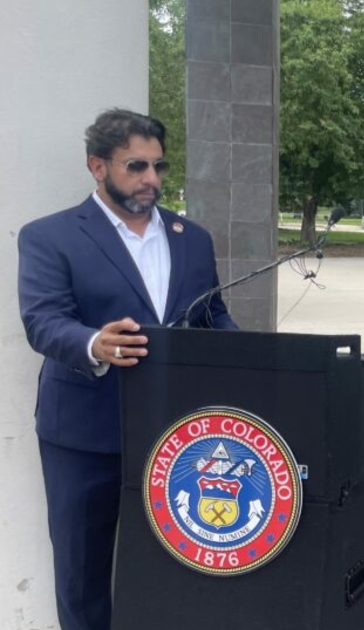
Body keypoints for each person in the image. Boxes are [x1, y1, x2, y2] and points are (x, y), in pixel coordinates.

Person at [18, 108, 237, 630]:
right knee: (83, 570)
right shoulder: (50, 237)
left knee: (175, 562)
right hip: (84, 435)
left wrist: (261, 360)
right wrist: (94, 342)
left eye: (159, 167)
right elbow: (42, 320)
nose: (152, 180)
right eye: (136, 166)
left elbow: (213, 315)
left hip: (176, 433)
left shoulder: (194, 238)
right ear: (97, 166)